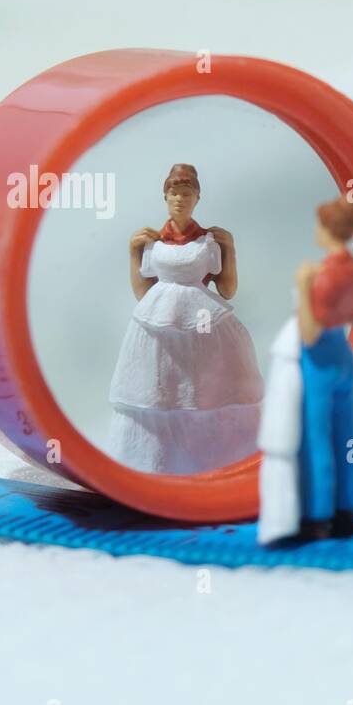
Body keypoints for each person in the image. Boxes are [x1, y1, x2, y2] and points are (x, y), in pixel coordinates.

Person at [105, 164, 263, 474]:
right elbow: (141, 293)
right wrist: (133, 253)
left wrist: (230, 249)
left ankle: (216, 462)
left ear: (197, 199)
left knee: (204, 390)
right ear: (165, 197)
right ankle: (155, 465)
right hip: (157, 323)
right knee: (160, 391)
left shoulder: (208, 242)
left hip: (204, 321)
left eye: (187, 194)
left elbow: (228, 289)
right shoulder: (153, 242)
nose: (180, 200)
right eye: (174, 193)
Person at [257, 196, 353, 542]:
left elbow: (310, 332)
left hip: (317, 362)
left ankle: (317, 517)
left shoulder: (321, 277)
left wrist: (303, 286)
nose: (316, 232)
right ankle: (345, 512)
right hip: (343, 359)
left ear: (328, 230)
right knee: (347, 439)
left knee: (317, 441)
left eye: (319, 226)